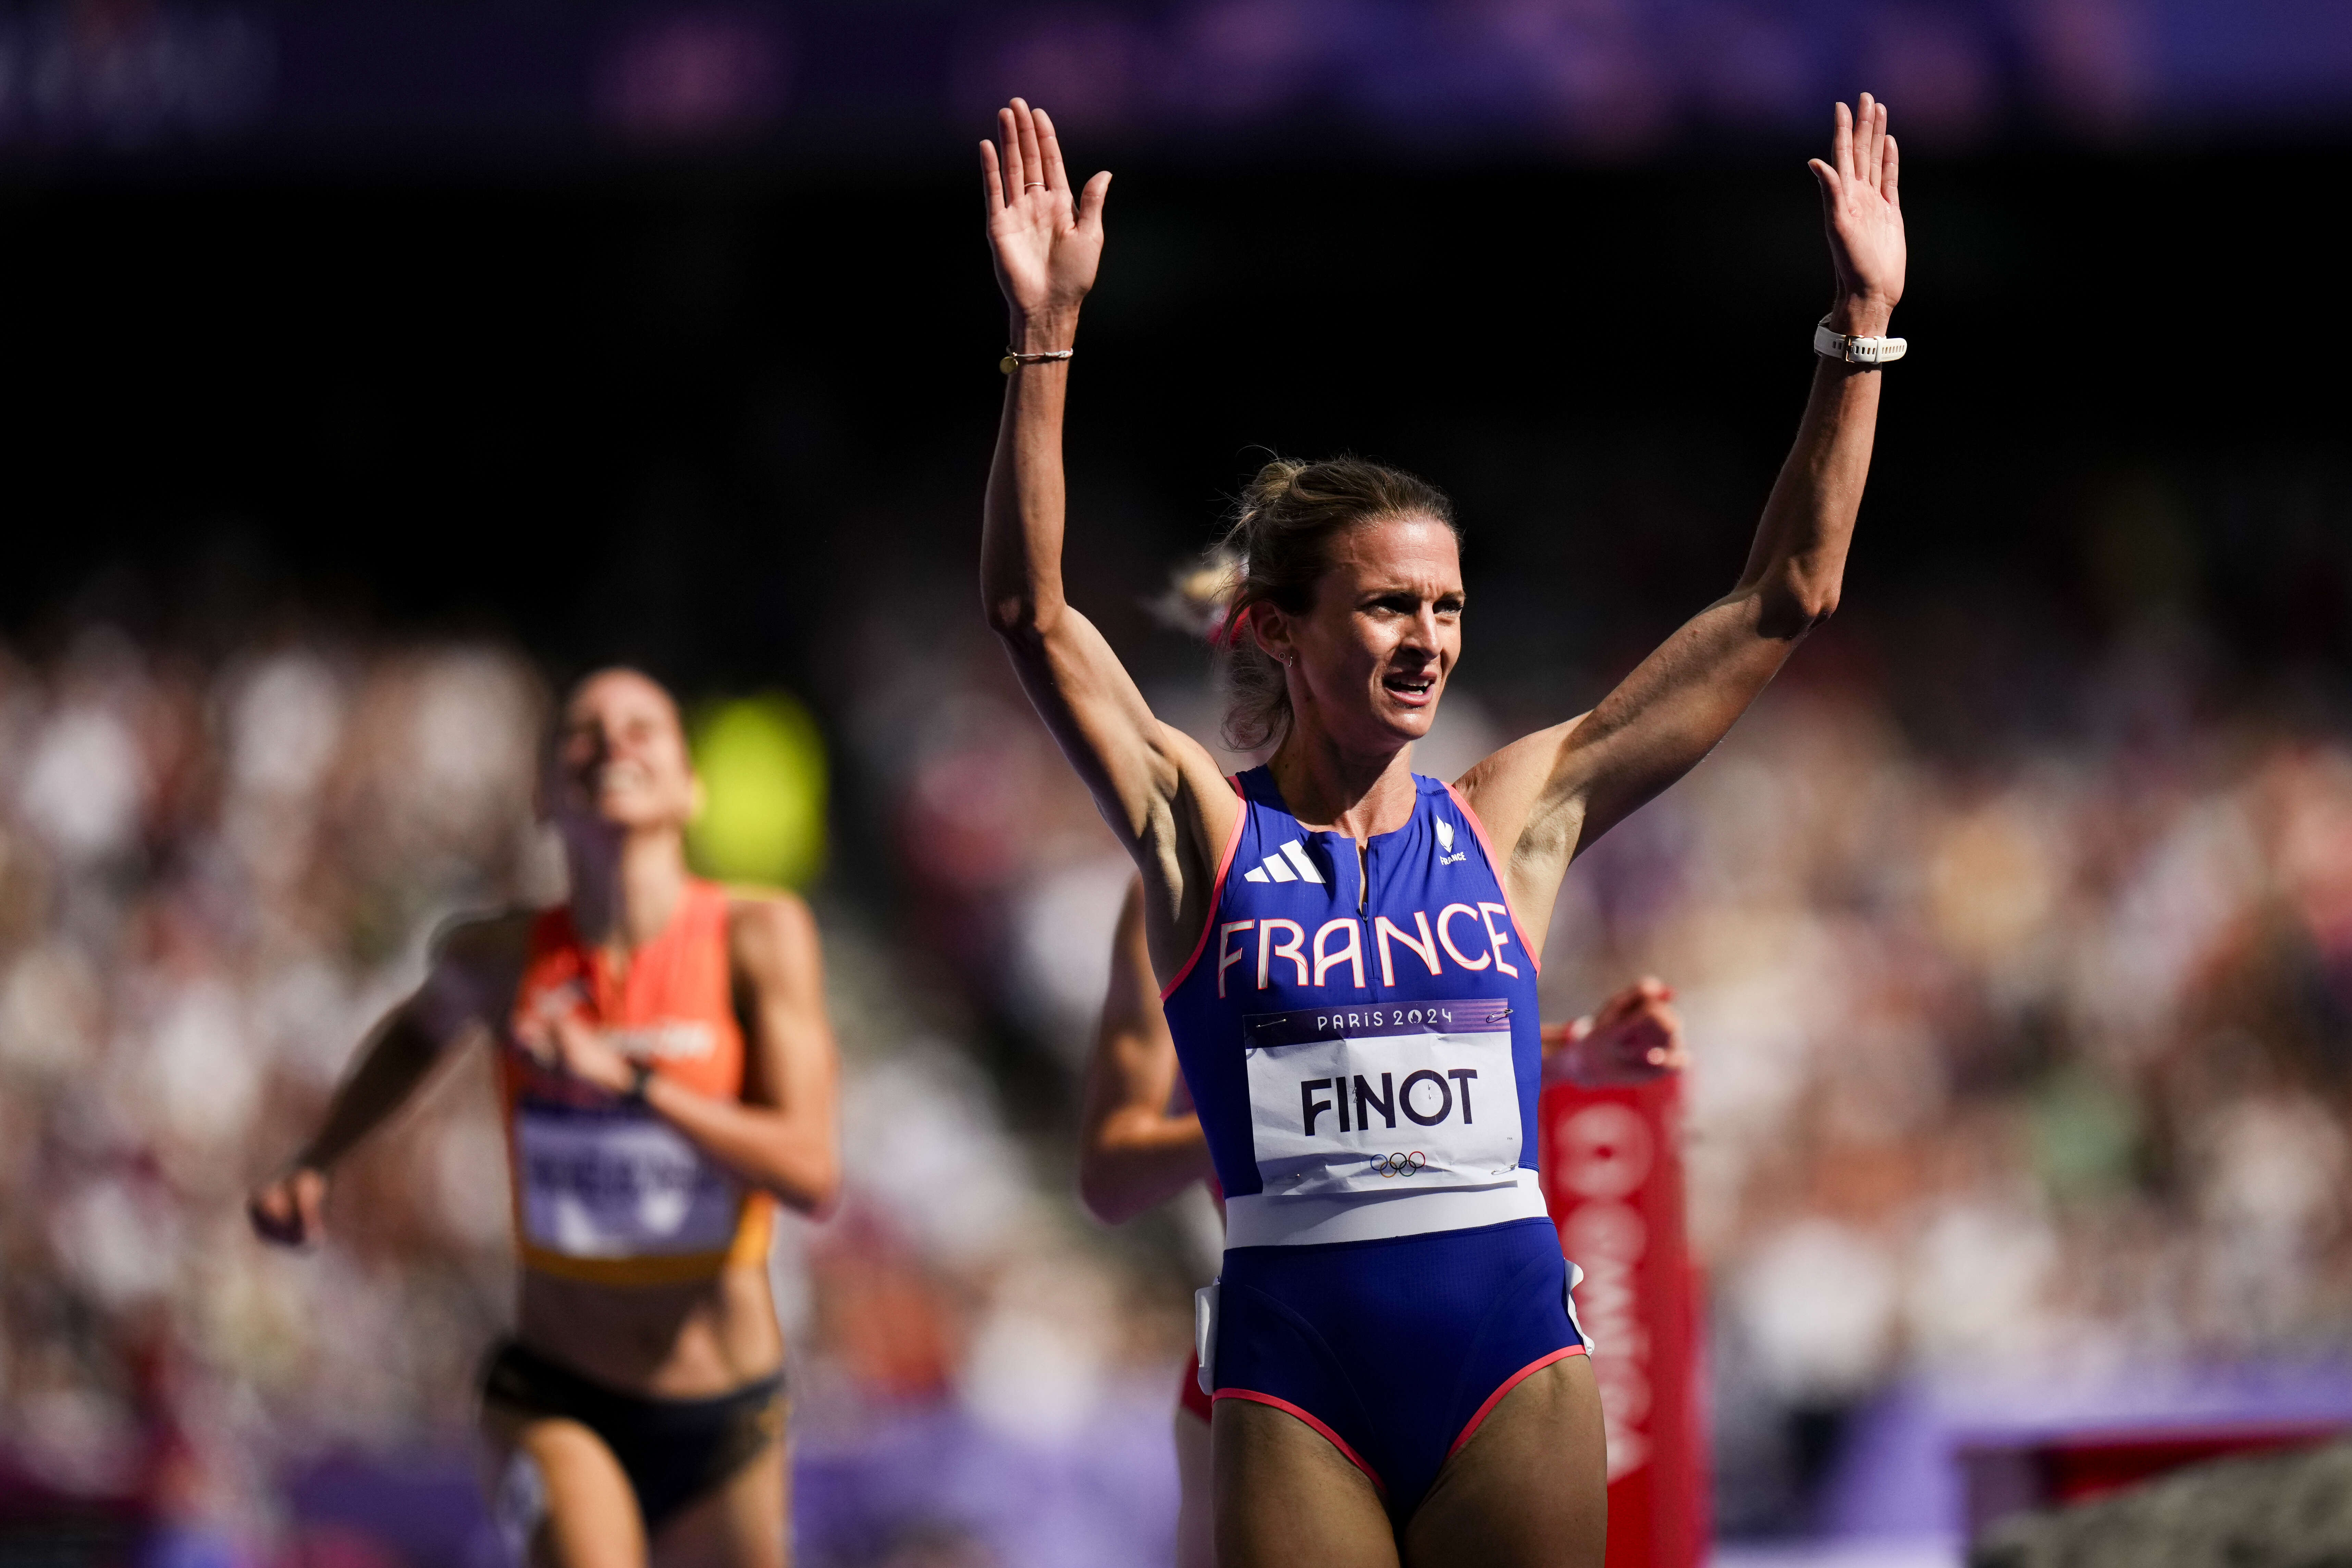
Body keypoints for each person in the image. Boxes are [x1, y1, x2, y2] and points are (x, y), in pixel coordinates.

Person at [979, 89, 1904, 1565]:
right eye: (1391, 603)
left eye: (1450, 606)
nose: (1430, 637)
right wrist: (1045, 339)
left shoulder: (1513, 815)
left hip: (1508, 1366)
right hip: (1294, 1376)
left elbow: (1781, 600)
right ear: (1279, 629)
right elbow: (1034, 616)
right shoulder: (1201, 834)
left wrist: (1859, 324)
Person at [248, 667, 842, 1568]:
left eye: (644, 727)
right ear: (542, 795)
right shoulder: (496, 959)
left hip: (729, 1415)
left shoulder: (758, 937)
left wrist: (637, 1084)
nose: (613, 743)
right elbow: (414, 1033)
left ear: (691, 787)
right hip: (558, 1398)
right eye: (583, 730)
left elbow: (810, 1171)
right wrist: (321, 1157)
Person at [1078, 879, 1688, 1568]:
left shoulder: (1443, 844)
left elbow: (1400, 1054)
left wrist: (1579, 1052)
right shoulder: (1184, 872)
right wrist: (1260, 1118)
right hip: (1280, 1374)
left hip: (1482, 1358)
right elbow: (1108, 1177)